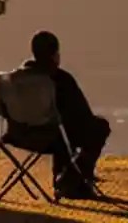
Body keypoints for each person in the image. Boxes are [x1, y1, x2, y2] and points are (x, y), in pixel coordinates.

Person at [23, 30, 111, 199]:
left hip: (24, 134)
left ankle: (65, 176)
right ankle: (72, 179)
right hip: (54, 136)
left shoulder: (21, 77)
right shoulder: (61, 78)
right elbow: (83, 113)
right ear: (54, 55)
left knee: (61, 127)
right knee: (99, 128)